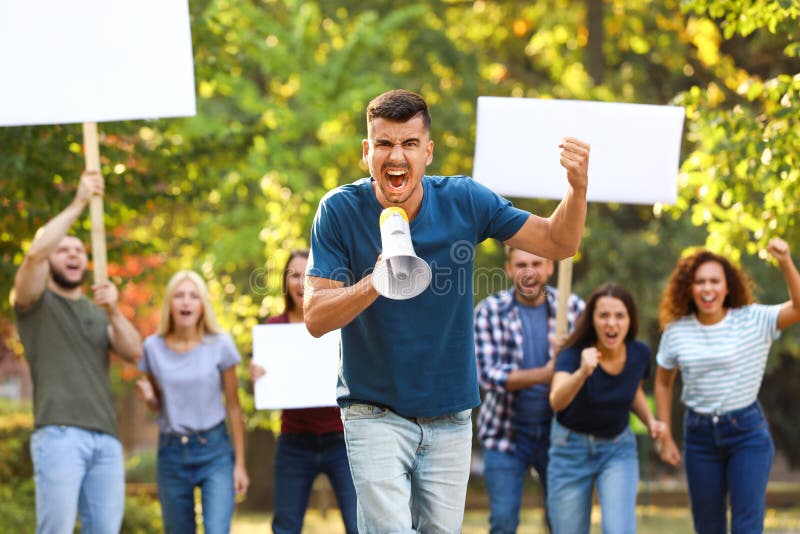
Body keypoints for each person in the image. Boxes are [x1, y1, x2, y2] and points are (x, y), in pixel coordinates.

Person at [304, 88, 589, 532]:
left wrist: (577, 187)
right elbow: (315, 316)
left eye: (409, 143)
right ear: (367, 151)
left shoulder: (465, 201)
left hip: (449, 416)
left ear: (428, 152)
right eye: (384, 143)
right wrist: (374, 283)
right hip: (372, 411)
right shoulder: (339, 210)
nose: (396, 155)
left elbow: (560, 242)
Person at [13, 170, 143, 533]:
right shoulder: (34, 302)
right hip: (58, 435)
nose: (72, 255)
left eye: (78, 251)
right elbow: (34, 254)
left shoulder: (97, 309)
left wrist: (115, 311)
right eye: (63, 250)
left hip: (106, 438)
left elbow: (135, 353)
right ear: (52, 260)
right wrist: (80, 201)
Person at [654, 240, 800, 533]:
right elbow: (662, 382)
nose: (707, 288)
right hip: (699, 437)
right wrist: (665, 434)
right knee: (708, 527)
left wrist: (785, 261)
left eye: (714, 281)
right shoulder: (677, 331)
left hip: (746, 433)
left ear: (727, 287)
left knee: (747, 526)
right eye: (700, 282)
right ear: (689, 288)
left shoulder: (753, 319)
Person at [474, 247, 584, 533]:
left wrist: (568, 365)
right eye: (521, 264)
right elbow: (487, 375)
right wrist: (548, 373)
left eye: (537, 263)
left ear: (550, 267)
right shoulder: (489, 311)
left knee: (562, 522)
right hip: (505, 434)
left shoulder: (573, 310)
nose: (529, 271)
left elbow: (589, 368)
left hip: (559, 433)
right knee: (503, 520)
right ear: (509, 269)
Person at [249, 250, 358, 534]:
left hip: (341, 440)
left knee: (360, 524)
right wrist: (257, 377)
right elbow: (269, 387)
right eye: (294, 275)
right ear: (285, 282)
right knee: (285, 526)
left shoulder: (338, 321)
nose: (301, 282)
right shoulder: (274, 329)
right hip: (294, 442)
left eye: (307, 275)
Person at [136, 270, 249, 533]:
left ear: (202, 305)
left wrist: (240, 465)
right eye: (179, 296)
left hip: (215, 451)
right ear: (169, 305)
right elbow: (158, 405)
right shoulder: (153, 348)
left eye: (193, 296)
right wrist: (150, 399)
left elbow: (234, 406)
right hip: (171, 452)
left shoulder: (220, 344)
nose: (186, 302)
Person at [547, 283, 665, 534]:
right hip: (570, 450)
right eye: (604, 315)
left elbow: (633, 390)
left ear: (630, 320)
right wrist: (583, 372)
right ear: (592, 321)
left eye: (619, 315)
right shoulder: (573, 353)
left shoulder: (639, 353)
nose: (612, 323)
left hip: (617, 449)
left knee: (619, 530)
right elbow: (557, 401)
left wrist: (650, 421)